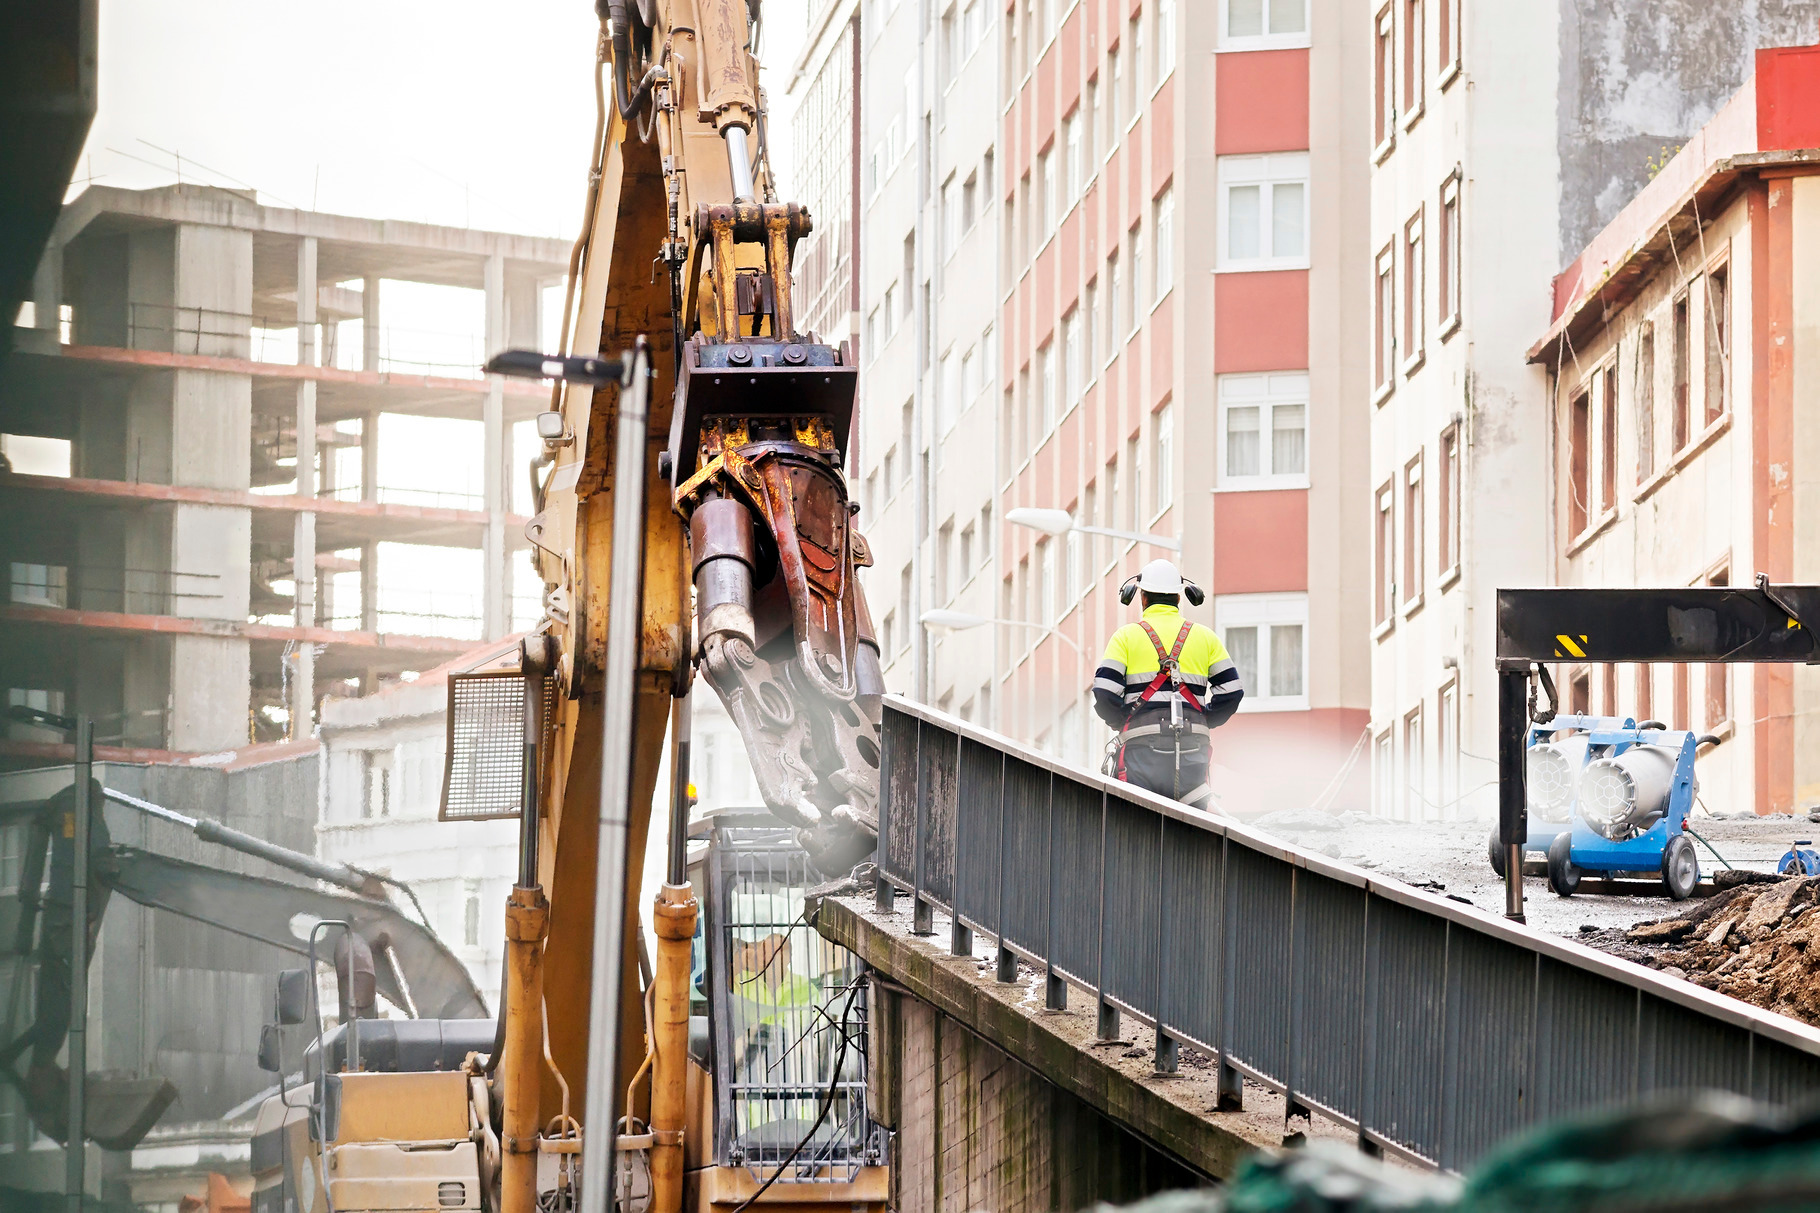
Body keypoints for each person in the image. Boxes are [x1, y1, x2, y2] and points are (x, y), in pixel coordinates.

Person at [1091, 559, 1243, 809]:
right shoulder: (1205, 637)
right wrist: (1204, 719)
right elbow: (1232, 691)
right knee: (1193, 823)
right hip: (1192, 750)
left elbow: (1105, 692)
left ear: (1142, 598)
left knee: (1139, 821)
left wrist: (1120, 721)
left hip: (1141, 750)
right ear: (1179, 598)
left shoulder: (1125, 637)